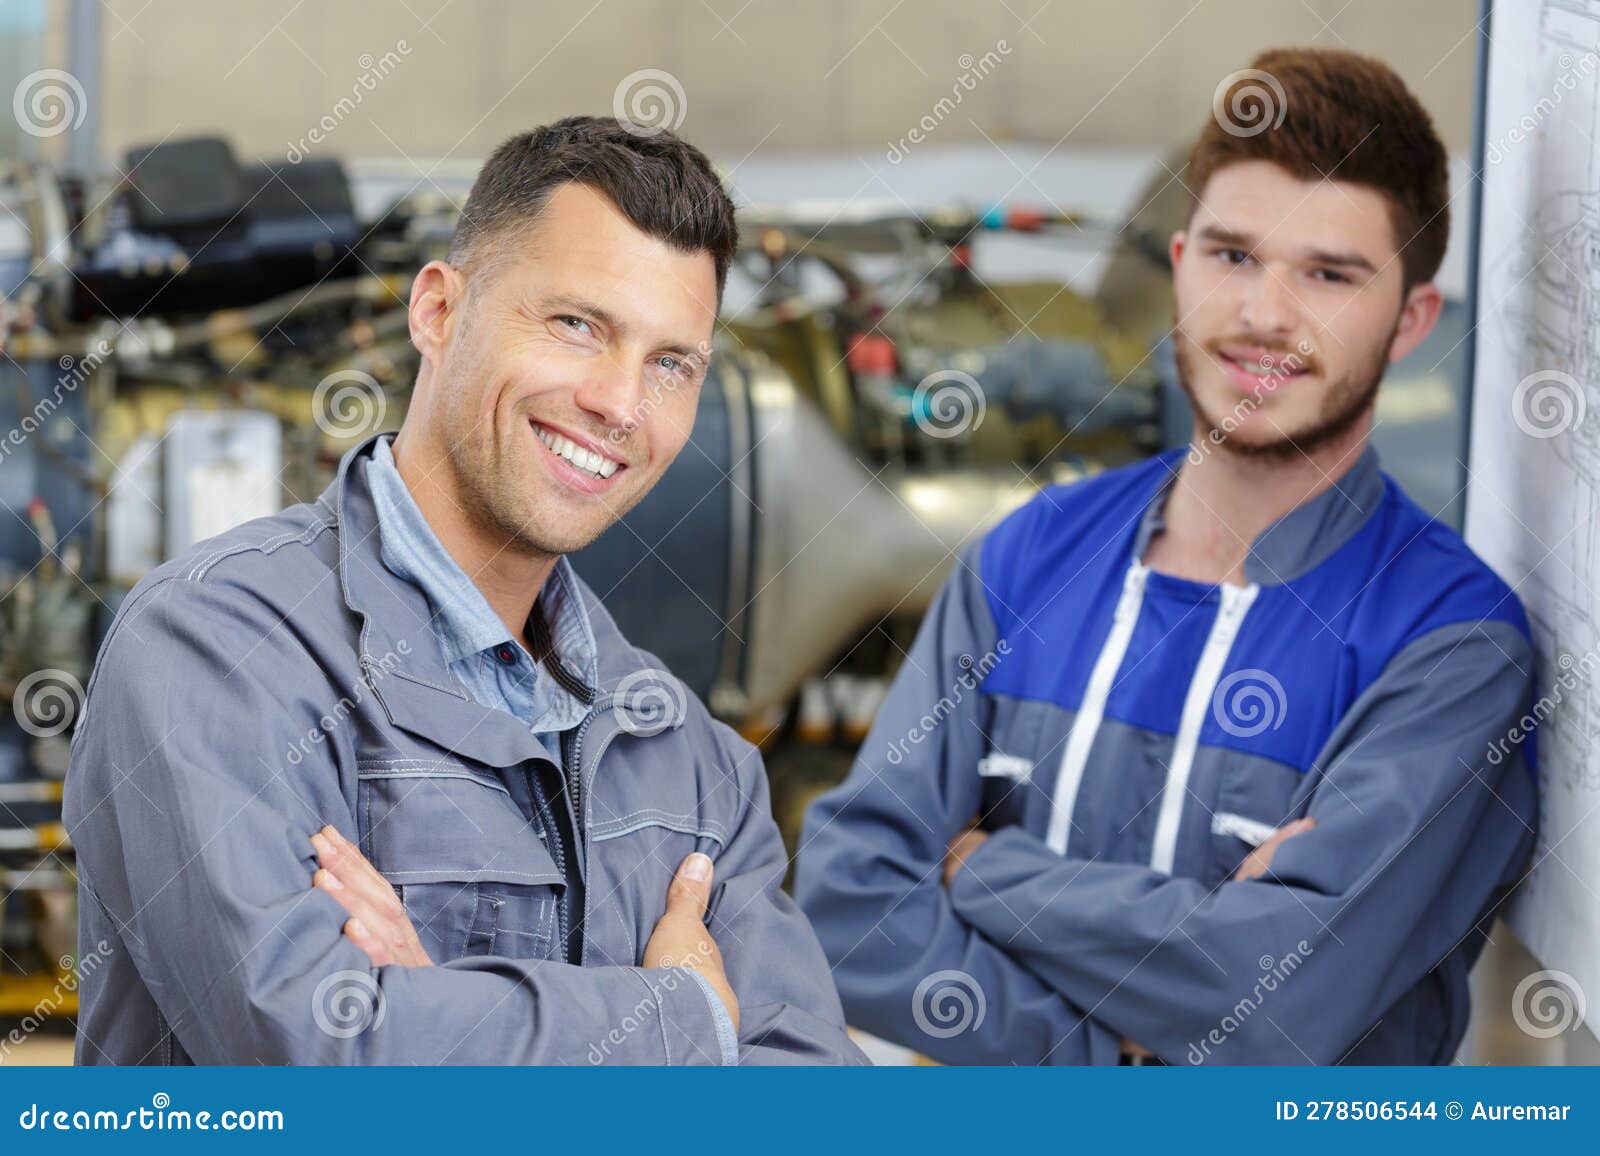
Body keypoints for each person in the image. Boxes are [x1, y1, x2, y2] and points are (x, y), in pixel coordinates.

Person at [65, 117, 865, 1066]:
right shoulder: (217, 652)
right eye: (577, 324)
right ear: (438, 311)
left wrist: (432, 1008)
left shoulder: (692, 761)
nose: (621, 404)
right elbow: (320, 1065)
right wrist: (683, 1021)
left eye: (670, 364)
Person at [795, 48, 1538, 1066]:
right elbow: (846, 906)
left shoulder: (1448, 646)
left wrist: (978, 870)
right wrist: (1124, 1059)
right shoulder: (1027, 559)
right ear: (1179, 261)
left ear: (1409, 318)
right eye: (1233, 256)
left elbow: (1276, 1001)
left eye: (1327, 273)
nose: (1264, 313)